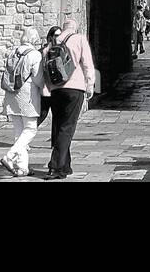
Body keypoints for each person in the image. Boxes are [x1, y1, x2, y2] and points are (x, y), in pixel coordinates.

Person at [41, 19, 95, 180]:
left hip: (56, 88)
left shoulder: (52, 42)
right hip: (75, 87)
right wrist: (90, 84)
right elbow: (87, 63)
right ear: (75, 28)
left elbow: (45, 64)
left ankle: (65, 165)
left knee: (60, 126)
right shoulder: (79, 39)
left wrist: (49, 87)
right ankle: (56, 167)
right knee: (68, 127)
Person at [0, 26, 43, 178]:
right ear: (34, 40)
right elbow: (38, 78)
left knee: (19, 132)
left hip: (11, 94)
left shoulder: (13, 52)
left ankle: (22, 167)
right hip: (27, 94)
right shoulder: (35, 55)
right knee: (31, 128)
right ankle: (9, 156)